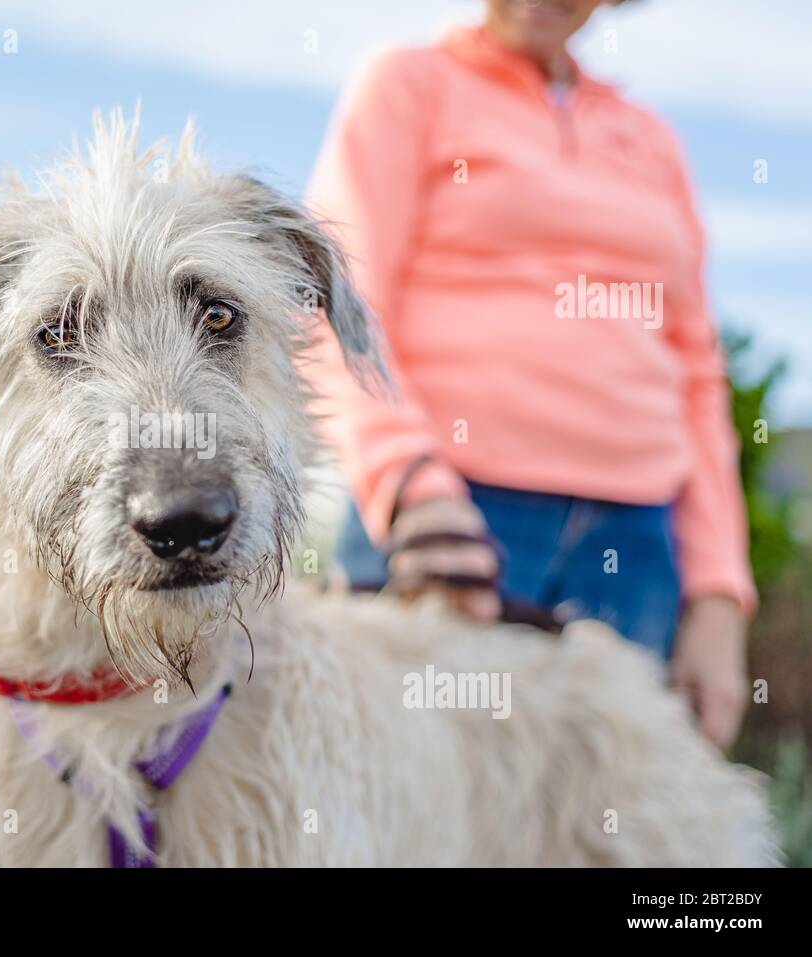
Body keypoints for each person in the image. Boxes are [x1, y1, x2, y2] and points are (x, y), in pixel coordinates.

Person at [307, 0, 753, 749]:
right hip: (453, 521)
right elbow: (336, 308)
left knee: (606, 823)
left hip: (638, 542)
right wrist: (407, 481)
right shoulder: (407, 85)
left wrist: (717, 595)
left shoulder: (653, 142)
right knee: (413, 807)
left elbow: (698, 374)